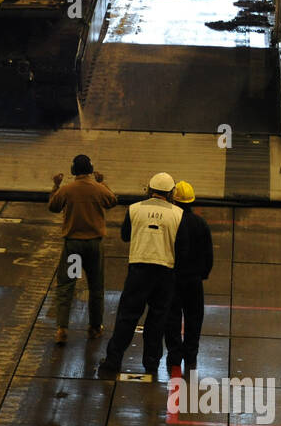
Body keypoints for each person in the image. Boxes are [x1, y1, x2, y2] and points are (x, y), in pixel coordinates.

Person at [96, 171, 184, 380]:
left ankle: (113, 360)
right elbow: (181, 247)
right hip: (165, 271)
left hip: (139, 270)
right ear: (170, 193)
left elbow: (126, 236)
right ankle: (151, 364)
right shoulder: (178, 214)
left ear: (149, 190)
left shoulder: (134, 209)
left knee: (127, 317)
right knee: (157, 320)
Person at [48, 154, 117, 344]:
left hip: (74, 247)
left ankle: (62, 328)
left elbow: (53, 207)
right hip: (94, 246)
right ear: (90, 169)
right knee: (95, 287)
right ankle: (95, 327)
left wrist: (56, 186)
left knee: (67, 286)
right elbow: (112, 201)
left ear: (73, 171)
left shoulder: (67, 190)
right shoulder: (98, 188)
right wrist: (102, 182)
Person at [165, 180, 214, 378]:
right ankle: (191, 355)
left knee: (173, 317)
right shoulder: (201, 223)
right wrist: (203, 273)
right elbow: (208, 254)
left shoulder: (172, 221)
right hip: (194, 280)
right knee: (194, 317)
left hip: (174, 278)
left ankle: (174, 356)